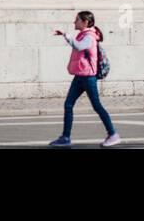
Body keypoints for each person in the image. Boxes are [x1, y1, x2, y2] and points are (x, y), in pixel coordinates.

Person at [49, 11, 121, 148]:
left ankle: (113, 134)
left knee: (97, 106)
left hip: (88, 77)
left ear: (85, 22)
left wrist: (66, 35)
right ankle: (65, 137)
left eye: (77, 20)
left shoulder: (90, 36)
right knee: (68, 104)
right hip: (79, 76)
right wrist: (65, 34)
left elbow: (79, 46)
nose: (74, 22)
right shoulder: (82, 35)